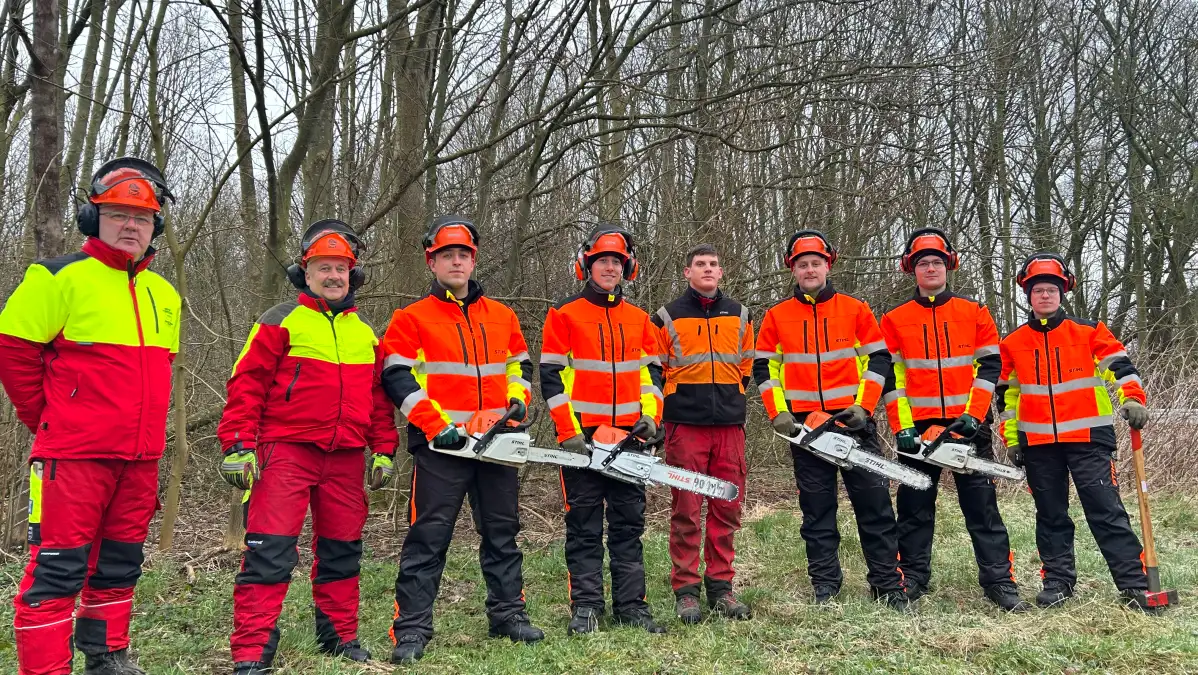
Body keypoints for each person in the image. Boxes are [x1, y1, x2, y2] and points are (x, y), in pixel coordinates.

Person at [0, 158, 179, 675]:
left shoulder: (163, 294)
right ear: (93, 217)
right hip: (72, 458)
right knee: (57, 570)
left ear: (154, 228)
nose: (131, 225)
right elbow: (13, 352)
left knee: (120, 566)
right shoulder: (56, 277)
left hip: (140, 458)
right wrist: (52, 420)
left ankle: (106, 655)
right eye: (119, 213)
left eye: (142, 217)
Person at [218, 220, 398, 674]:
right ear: (307, 272)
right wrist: (239, 444)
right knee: (270, 550)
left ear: (351, 275)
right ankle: (252, 649)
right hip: (286, 453)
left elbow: (379, 402)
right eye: (324, 268)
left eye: (341, 268)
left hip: (345, 456)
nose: (333, 276)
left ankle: (338, 634)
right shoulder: (279, 321)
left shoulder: (365, 334)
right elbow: (246, 386)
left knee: (342, 548)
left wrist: (383, 449)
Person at [381, 215, 543, 664]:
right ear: (432, 262)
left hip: (497, 441)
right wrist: (438, 427)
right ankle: (411, 629)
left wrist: (515, 403)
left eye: (463, 255)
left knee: (503, 533)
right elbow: (397, 378)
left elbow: (520, 368)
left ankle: (508, 614)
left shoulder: (502, 315)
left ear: (473, 261)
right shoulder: (411, 318)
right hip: (442, 448)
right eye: (447, 255)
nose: (456, 261)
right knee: (428, 537)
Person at [753, 230, 909, 610]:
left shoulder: (855, 310)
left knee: (874, 506)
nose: (809, 269)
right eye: (802, 264)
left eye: (815, 263)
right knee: (817, 512)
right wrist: (779, 413)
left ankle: (887, 583)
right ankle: (826, 585)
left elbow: (879, 360)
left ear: (828, 265)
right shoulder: (777, 316)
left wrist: (864, 405)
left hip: (853, 422)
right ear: (793, 269)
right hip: (805, 428)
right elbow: (764, 366)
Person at [997, 253, 1156, 612]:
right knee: (1050, 514)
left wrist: (1132, 398)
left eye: (1051, 289)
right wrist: (1011, 437)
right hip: (1038, 443)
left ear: (1062, 292)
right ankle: (1057, 582)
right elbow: (1007, 396)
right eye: (1038, 290)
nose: (1045, 296)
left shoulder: (1089, 331)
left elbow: (1121, 365)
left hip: (1088, 439)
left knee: (1105, 510)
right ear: (1029, 295)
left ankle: (1134, 584)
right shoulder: (1014, 342)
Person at [880, 228, 1028, 612]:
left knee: (981, 507)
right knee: (914, 507)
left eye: (936, 262)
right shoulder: (895, 319)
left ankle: (998, 579)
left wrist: (973, 416)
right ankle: (912, 575)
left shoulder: (974, 312)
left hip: (967, 426)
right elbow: (890, 379)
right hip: (918, 430)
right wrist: (902, 426)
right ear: (911, 269)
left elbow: (990, 365)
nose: (930, 268)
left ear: (949, 266)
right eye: (923, 263)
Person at [540, 225, 668, 635]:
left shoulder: (640, 320)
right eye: (602, 262)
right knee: (584, 527)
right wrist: (568, 431)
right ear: (587, 266)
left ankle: (632, 605)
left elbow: (652, 375)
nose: (609, 268)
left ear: (626, 268)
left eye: (615, 262)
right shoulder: (565, 313)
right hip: (583, 439)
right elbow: (552, 376)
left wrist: (652, 418)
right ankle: (587, 606)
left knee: (629, 526)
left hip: (630, 437)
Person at [651, 243, 753, 623]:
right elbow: (654, 371)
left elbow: (746, 363)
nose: (707, 269)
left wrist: (732, 394)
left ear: (721, 272)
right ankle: (686, 590)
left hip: (729, 426)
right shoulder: (666, 317)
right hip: (685, 426)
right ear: (687, 272)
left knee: (726, 508)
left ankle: (722, 588)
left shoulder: (741, 314)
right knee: (687, 510)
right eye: (700, 264)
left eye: (713, 264)